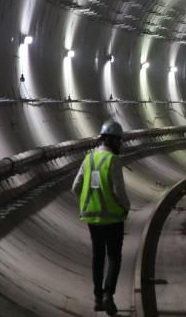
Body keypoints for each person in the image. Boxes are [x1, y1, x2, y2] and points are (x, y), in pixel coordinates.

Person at [71, 120, 130, 315]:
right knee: (114, 257)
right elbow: (118, 191)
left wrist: (90, 200)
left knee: (98, 257)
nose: (120, 145)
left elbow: (76, 187)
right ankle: (108, 295)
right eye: (119, 141)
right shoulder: (113, 160)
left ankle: (97, 298)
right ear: (111, 140)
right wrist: (126, 207)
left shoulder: (88, 159)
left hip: (92, 219)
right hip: (113, 219)